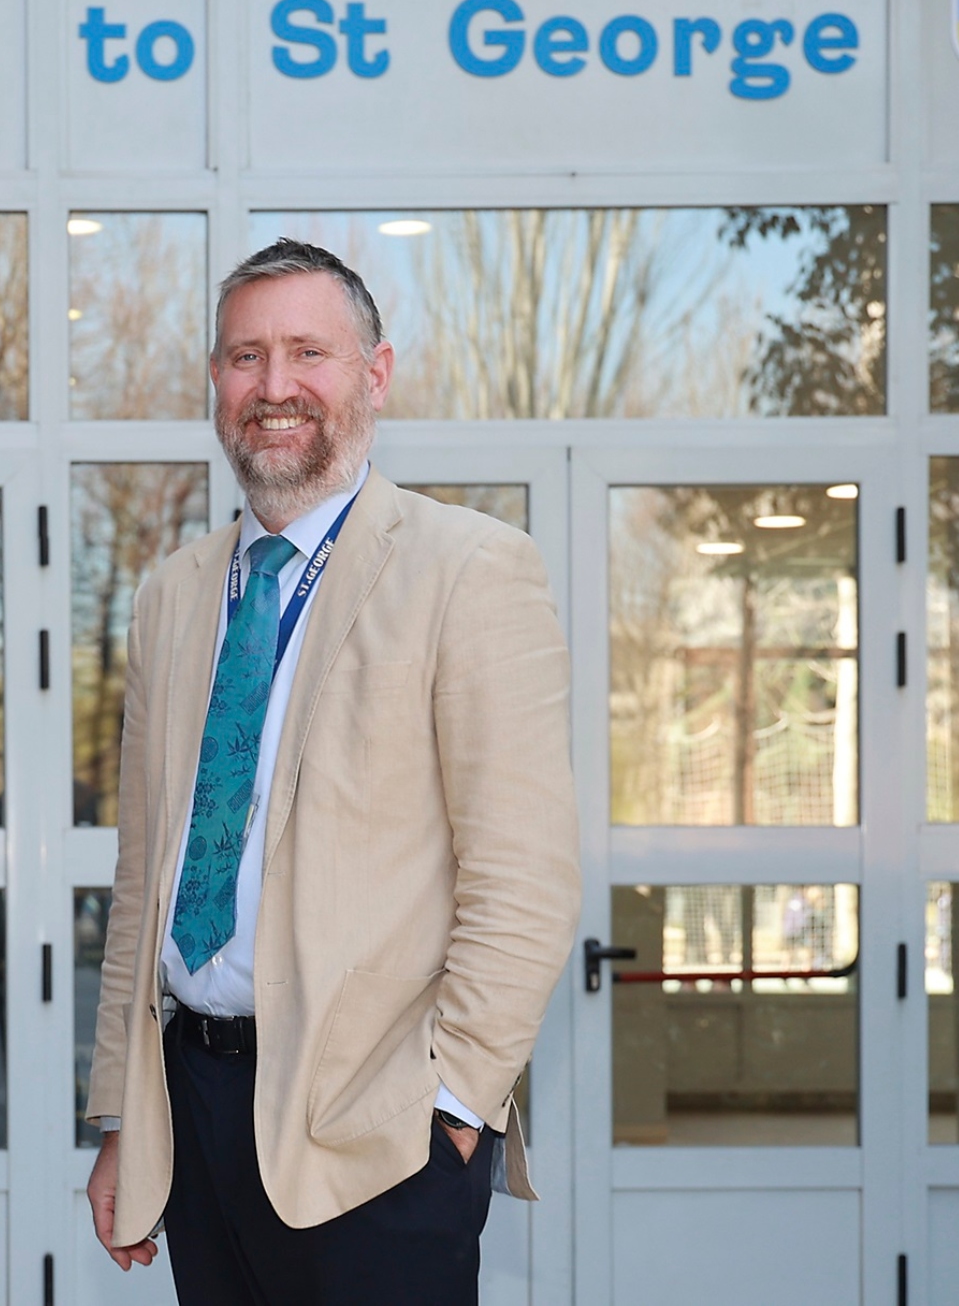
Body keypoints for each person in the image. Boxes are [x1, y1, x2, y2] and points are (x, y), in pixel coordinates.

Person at [84, 240, 582, 1305]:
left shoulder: (471, 570)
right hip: (198, 1109)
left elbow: (524, 876)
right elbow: (145, 880)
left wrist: (455, 1107)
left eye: (308, 351)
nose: (274, 387)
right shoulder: (171, 596)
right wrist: (126, 1117)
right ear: (216, 383)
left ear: (375, 374)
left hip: (381, 1131)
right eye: (245, 357)